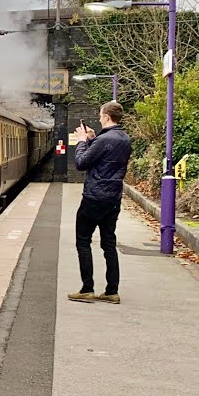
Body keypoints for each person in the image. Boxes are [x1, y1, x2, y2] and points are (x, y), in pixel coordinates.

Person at [67, 100, 132, 305]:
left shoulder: (104, 141)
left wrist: (81, 141)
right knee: (109, 244)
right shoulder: (124, 138)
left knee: (83, 241)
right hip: (113, 198)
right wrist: (93, 139)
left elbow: (81, 163)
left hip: (94, 197)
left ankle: (88, 289)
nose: (98, 117)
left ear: (106, 116)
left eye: (100, 114)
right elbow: (106, 155)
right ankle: (112, 291)